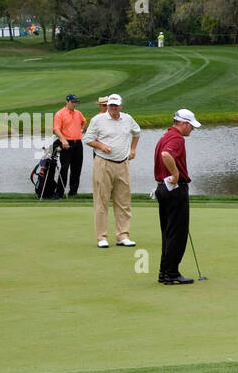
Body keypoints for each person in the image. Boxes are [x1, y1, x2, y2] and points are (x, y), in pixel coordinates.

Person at [82, 94, 140, 248]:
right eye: (111, 105)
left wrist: (133, 150)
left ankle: (123, 236)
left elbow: (137, 132)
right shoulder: (98, 120)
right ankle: (102, 237)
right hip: (103, 163)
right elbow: (87, 139)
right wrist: (101, 146)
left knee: (123, 202)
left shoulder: (127, 119)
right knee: (102, 201)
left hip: (123, 164)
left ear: (121, 106)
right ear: (107, 106)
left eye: (116, 105)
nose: (113, 108)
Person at [154, 109, 201, 284]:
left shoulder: (165, 136)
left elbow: (163, 153)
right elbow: (166, 155)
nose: (192, 130)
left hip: (163, 188)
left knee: (168, 232)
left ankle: (165, 272)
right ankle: (171, 274)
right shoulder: (177, 138)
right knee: (177, 233)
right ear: (183, 123)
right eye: (191, 126)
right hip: (174, 189)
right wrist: (175, 175)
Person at [51, 94, 87, 198]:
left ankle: (73, 192)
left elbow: (84, 121)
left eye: (75, 102)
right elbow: (56, 129)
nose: (74, 104)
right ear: (67, 102)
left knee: (76, 169)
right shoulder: (60, 114)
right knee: (64, 168)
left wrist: (81, 130)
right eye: (72, 102)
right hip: (66, 144)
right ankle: (59, 193)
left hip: (78, 143)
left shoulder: (78, 113)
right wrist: (63, 140)